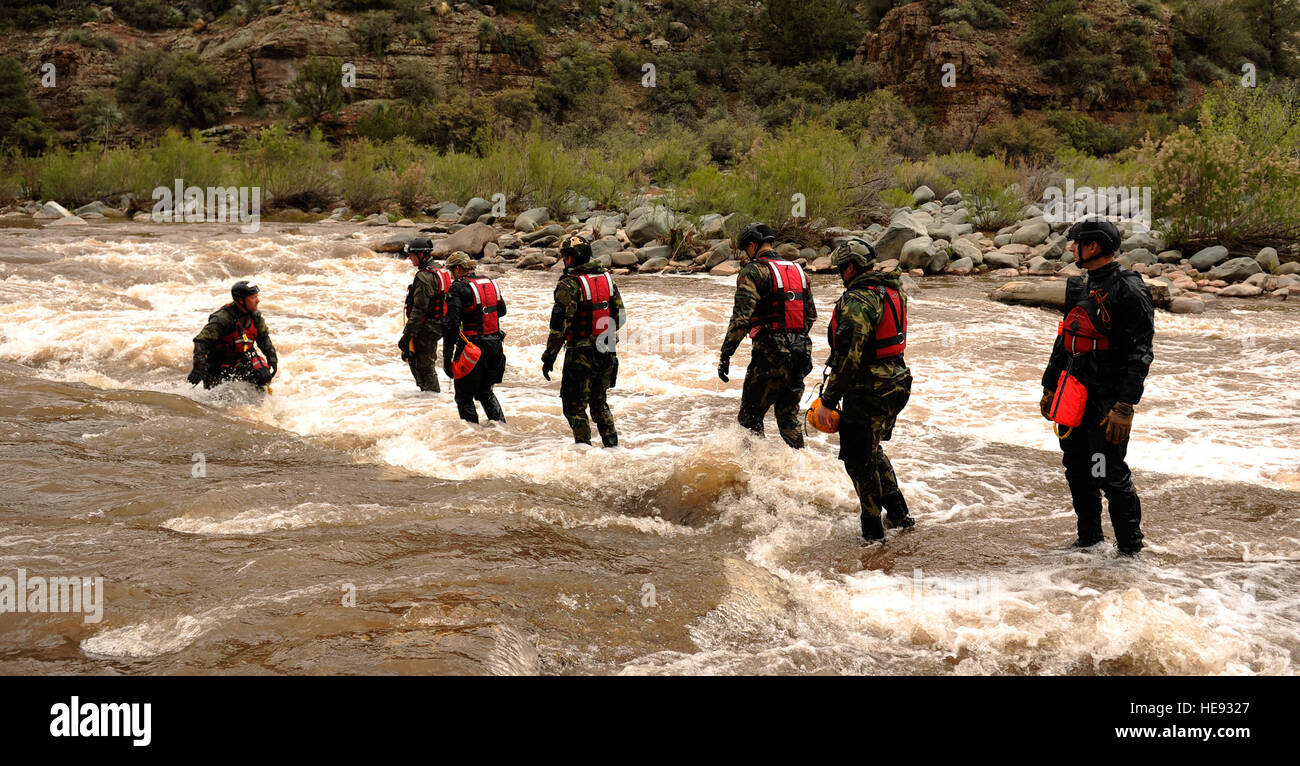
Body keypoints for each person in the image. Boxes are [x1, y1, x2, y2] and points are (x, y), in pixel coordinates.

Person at [1040, 218, 1153, 556]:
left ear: (1094, 247)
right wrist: (1049, 386)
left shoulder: (1129, 290)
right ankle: (1089, 541)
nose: (1071, 248)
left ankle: (1130, 552)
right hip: (1074, 392)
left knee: (1106, 471)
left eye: (1077, 243)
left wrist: (1124, 407)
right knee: (1076, 467)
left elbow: (1141, 352)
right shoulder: (1078, 286)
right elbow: (1065, 338)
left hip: (1107, 401)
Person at [816, 238, 915, 541]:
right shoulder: (892, 290)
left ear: (851, 267)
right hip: (896, 382)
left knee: (859, 460)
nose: (838, 274)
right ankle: (900, 516)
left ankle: (872, 534)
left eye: (840, 269)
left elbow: (849, 358)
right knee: (871, 450)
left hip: (870, 389)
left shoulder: (858, 301)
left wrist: (827, 401)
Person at [717, 222, 815, 448]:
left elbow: (741, 319)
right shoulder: (799, 271)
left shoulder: (752, 272)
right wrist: (792, 341)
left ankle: (754, 473)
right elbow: (810, 316)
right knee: (788, 421)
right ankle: (801, 470)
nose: (746, 254)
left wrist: (726, 354)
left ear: (752, 245)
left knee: (749, 420)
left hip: (769, 355)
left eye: (745, 249)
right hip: (801, 354)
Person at [541, 234, 626, 447]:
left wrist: (549, 357)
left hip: (581, 354)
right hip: (607, 350)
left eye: (565, 257)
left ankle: (583, 450)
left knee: (574, 406)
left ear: (570, 259)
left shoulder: (569, 285)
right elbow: (620, 317)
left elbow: (560, 328)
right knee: (599, 403)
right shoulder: (607, 280)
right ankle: (613, 447)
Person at [441, 251, 507, 423]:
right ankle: (501, 432)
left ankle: (473, 440)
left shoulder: (457, 288)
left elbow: (451, 326)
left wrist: (447, 359)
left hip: (472, 350)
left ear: (457, 269)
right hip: (495, 347)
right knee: (485, 392)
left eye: (450, 271)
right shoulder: (491, 283)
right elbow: (502, 311)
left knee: (464, 397)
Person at [187, 281, 278, 390]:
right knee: (216, 399)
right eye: (253, 297)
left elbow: (264, 339)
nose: (258, 301)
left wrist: (272, 360)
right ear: (240, 300)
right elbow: (201, 341)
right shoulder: (223, 318)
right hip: (217, 365)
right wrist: (199, 367)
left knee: (263, 376)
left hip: (242, 360)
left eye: (257, 296)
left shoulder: (256, 317)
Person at [398, 237, 451, 392]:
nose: (410, 258)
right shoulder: (440, 269)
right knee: (422, 363)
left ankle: (431, 399)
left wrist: (406, 336)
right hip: (439, 323)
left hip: (427, 327)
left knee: (424, 366)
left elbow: (419, 310)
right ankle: (427, 398)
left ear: (422, 255)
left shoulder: (423, 276)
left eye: (412, 255)